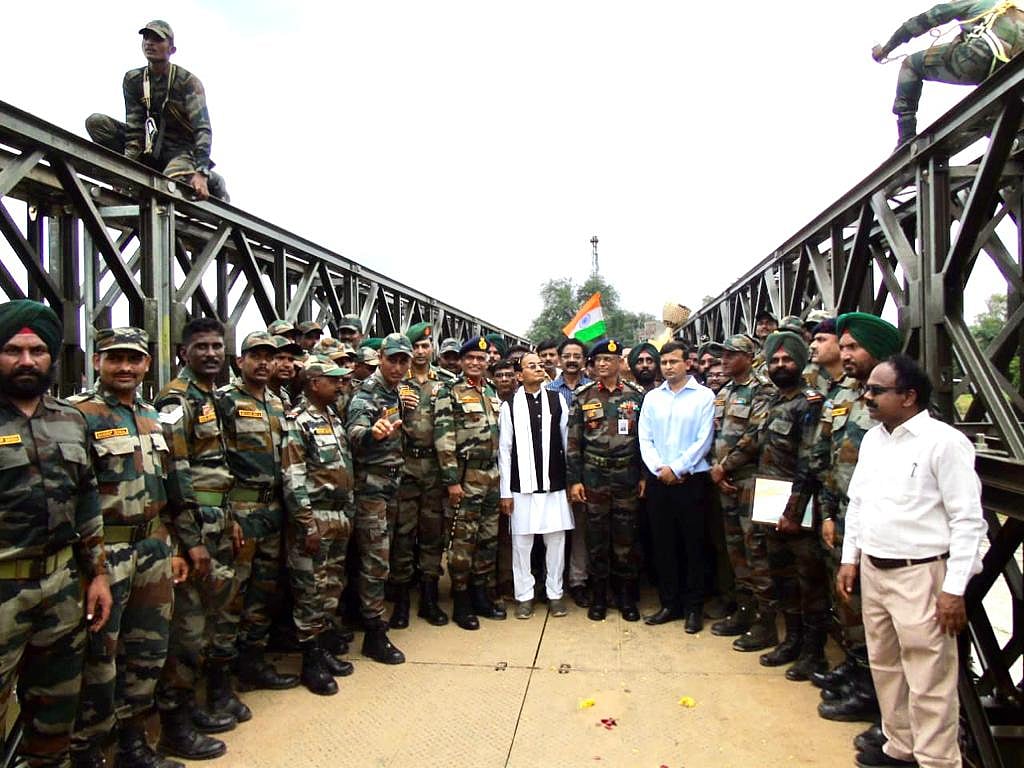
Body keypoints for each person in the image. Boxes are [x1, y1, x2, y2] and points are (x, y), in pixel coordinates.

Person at [839, 355, 985, 768]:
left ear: (908, 397)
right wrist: (851, 558)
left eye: (876, 390)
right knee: (886, 665)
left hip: (920, 572)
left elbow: (967, 518)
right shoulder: (873, 439)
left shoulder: (944, 443)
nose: (866, 397)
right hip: (876, 569)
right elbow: (859, 503)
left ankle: (936, 760)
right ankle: (899, 748)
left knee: (929, 676)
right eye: (867, 389)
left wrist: (954, 588)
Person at [0, 300, 111, 768]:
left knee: (55, 716)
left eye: (38, 350)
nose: (27, 361)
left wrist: (98, 575)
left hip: (63, 590)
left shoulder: (70, 419)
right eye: (12, 350)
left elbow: (87, 499)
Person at [68, 329, 177, 768]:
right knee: (100, 659)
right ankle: (89, 752)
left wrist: (171, 545)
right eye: (115, 359)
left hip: (152, 548)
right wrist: (90, 565)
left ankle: (133, 744)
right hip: (106, 554)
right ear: (98, 362)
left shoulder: (152, 417)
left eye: (134, 359)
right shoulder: (78, 415)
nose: (125, 367)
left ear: (147, 364)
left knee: (149, 651)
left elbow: (166, 485)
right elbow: (75, 494)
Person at [153, 317, 238, 761]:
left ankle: (195, 707)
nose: (210, 353)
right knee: (186, 629)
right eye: (201, 347)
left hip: (216, 518)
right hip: (195, 530)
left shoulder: (210, 397)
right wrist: (191, 541)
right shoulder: (177, 398)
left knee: (208, 620)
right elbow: (175, 473)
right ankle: (174, 725)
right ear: (184, 352)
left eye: (217, 347)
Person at [813, 312, 902, 725]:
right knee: (850, 604)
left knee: (880, 617)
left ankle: (879, 699)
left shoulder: (899, 402)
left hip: (882, 528)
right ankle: (859, 673)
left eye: (853, 347)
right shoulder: (844, 394)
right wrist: (828, 512)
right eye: (843, 347)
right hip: (844, 519)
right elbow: (830, 458)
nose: (845, 355)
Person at [728, 332, 830, 680]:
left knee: (809, 579)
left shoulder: (810, 403)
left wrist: (793, 510)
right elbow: (755, 440)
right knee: (781, 574)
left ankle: (814, 653)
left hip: (795, 503)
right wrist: (724, 467)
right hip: (769, 495)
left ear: (800, 363)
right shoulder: (774, 401)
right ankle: (793, 641)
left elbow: (810, 463)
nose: (780, 365)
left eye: (787, 360)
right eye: (774, 361)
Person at [216, 332, 299, 691]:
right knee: (230, 596)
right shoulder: (224, 402)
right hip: (242, 510)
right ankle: (219, 678)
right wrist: (227, 514)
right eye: (257, 355)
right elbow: (212, 460)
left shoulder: (278, 404)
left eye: (270, 356)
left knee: (263, 593)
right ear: (240, 361)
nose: (264, 362)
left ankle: (253, 662)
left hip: (273, 510)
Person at [86, 21, 228, 201]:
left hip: (180, 151)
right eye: (146, 38)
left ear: (172, 49)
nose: (149, 43)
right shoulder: (134, 79)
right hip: (148, 147)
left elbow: (203, 129)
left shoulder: (187, 82)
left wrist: (202, 172)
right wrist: (125, 168)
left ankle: (214, 182)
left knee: (166, 185)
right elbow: (135, 128)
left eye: (157, 39)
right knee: (97, 123)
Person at [281, 356, 355, 695]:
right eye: (334, 380)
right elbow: (294, 478)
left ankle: (323, 649)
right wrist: (307, 524)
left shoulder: (332, 419)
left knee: (330, 589)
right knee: (310, 592)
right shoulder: (299, 422)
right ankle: (310, 660)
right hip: (314, 519)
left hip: (337, 517)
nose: (341, 385)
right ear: (314, 383)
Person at [638, 341, 715, 633]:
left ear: (688, 363)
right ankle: (669, 603)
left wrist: (678, 467)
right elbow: (645, 438)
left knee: (693, 544)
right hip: (660, 480)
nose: (668, 366)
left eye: (674, 361)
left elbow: (703, 440)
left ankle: (694, 608)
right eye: (665, 362)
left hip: (691, 480)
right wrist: (660, 468)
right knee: (664, 544)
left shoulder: (704, 397)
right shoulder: (653, 398)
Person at [566, 340, 646, 622]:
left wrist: (643, 476)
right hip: (594, 476)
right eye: (598, 359)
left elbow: (645, 440)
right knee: (597, 539)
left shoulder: (636, 396)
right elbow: (574, 442)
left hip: (626, 475)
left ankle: (625, 598)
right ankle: (599, 597)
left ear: (619, 363)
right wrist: (574, 480)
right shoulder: (583, 396)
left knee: (625, 539)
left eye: (608, 359)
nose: (602, 364)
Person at [872, 2, 1024, 146]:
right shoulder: (1018, 13)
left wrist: (885, 50)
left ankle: (906, 136)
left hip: (974, 59)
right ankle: (1015, 135)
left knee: (910, 65)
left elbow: (922, 21)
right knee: (993, 113)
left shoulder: (977, 2)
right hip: (1009, 73)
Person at [345, 333, 411, 663]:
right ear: (381, 358)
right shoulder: (366, 394)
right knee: (375, 560)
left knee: (383, 556)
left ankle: (365, 616)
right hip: (370, 490)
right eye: (393, 360)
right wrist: (371, 433)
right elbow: (354, 433)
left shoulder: (394, 392)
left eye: (404, 361)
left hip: (390, 487)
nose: (398, 367)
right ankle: (373, 632)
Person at [434, 337, 505, 629]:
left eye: (481, 358)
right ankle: (461, 602)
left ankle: (481, 595)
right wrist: (452, 481)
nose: (476, 362)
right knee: (463, 540)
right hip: (465, 476)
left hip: (491, 475)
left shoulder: (490, 391)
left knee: (487, 539)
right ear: (462, 362)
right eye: (471, 358)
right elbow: (444, 438)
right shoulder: (449, 392)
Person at [498, 353, 574, 620]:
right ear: (519, 375)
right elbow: (504, 451)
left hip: (554, 484)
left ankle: (555, 594)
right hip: (522, 486)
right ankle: (524, 596)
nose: (539, 369)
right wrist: (505, 492)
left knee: (556, 541)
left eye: (541, 365)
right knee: (522, 544)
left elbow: (567, 442)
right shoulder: (509, 405)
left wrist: (571, 480)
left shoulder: (557, 400)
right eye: (532, 366)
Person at [709, 335, 771, 642]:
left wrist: (724, 467)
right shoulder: (724, 392)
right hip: (725, 482)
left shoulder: (762, 390)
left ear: (748, 357)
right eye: (723, 354)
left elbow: (755, 435)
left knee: (757, 549)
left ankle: (765, 621)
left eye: (731, 354)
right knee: (736, 551)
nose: (724, 359)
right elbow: (714, 435)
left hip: (750, 480)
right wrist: (715, 469)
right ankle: (744, 609)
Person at [395, 323, 454, 628]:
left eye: (425, 346)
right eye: (415, 347)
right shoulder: (396, 380)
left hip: (434, 466)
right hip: (405, 466)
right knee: (403, 534)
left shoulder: (445, 382)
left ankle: (429, 600)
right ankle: (402, 602)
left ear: (433, 349)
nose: (420, 352)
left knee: (433, 534)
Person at [548, 338, 593, 607]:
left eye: (577, 355)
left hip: (585, 470)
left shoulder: (592, 391)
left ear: (584, 360)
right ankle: (553, 580)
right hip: (554, 469)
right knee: (554, 528)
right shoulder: (548, 391)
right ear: (559, 359)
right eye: (567, 355)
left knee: (580, 528)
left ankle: (577, 580)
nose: (572, 360)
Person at [804, 317, 843, 394]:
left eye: (821, 340)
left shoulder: (860, 385)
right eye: (814, 340)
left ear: (842, 342)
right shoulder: (805, 373)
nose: (812, 346)